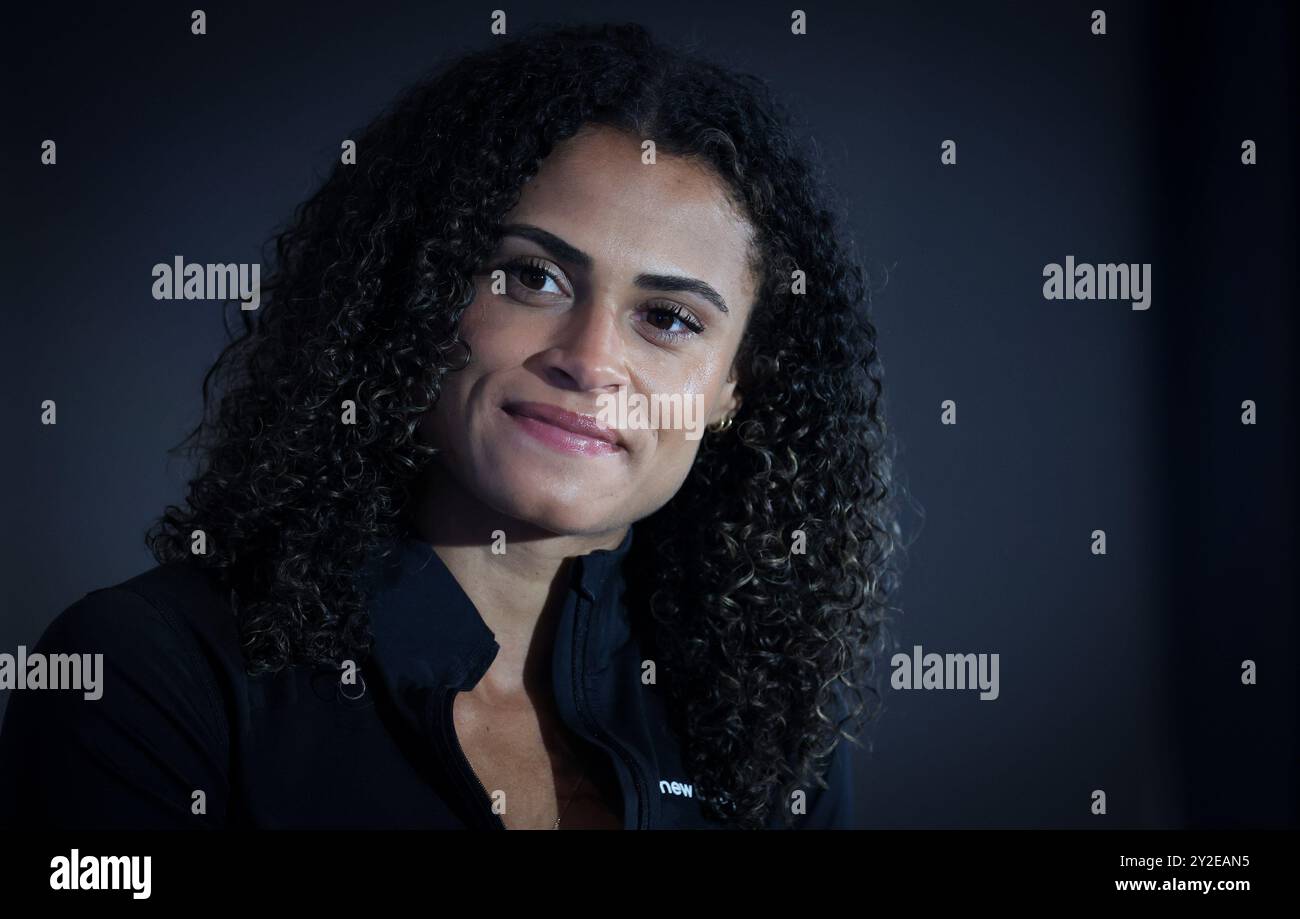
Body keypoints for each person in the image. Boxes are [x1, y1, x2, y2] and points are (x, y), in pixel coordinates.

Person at [0, 22, 900, 830]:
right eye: (533, 277)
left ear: (735, 384)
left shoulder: (765, 729)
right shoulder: (150, 674)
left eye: (668, 319)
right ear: (421, 293)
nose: (589, 360)